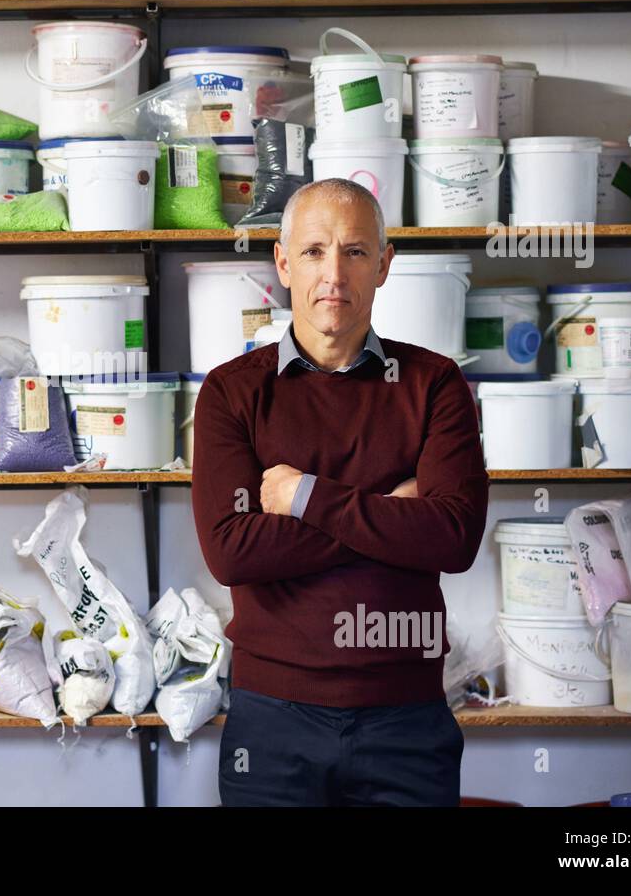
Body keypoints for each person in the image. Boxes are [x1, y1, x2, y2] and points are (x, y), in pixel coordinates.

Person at [191, 178, 489, 806]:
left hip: (405, 717)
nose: (333, 274)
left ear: (384, 264)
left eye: (354, 252)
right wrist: (391, 512)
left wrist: (306, 497)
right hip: (272, 720)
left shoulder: (435, 384)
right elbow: (232, 552)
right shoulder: (231, 392)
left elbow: (454, 537)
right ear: (281, 261)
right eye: (313, 251)